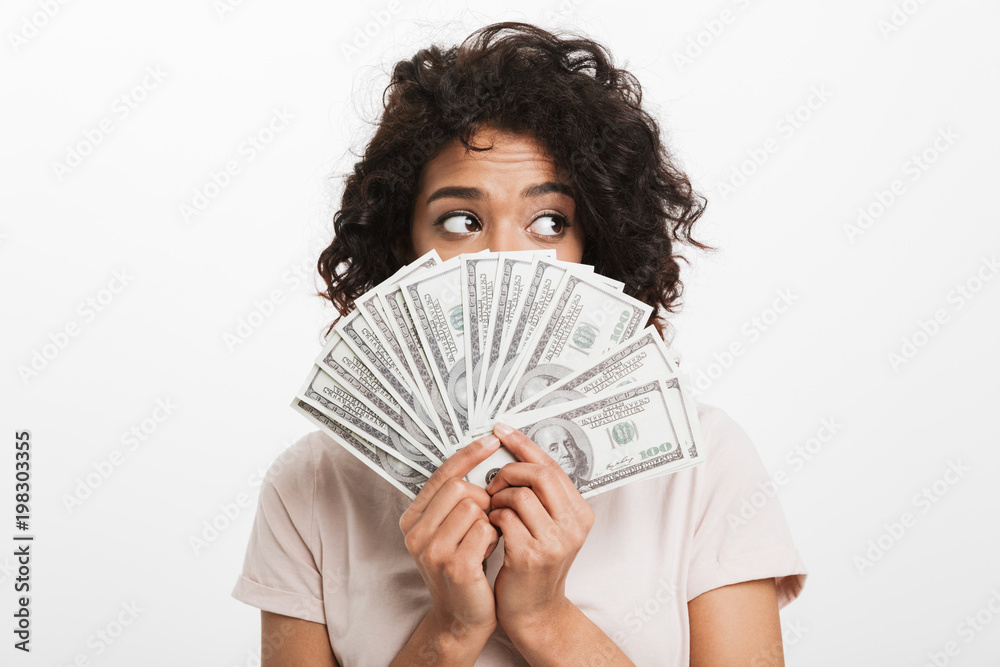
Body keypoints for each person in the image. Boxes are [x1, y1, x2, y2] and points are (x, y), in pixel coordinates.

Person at [232, 21, 807, 666]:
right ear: (404, 248)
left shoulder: (706, 465)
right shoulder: (312, 485)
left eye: (548, 222)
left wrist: (544, 617)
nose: (505, 257)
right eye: (461, 221)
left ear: (595, 244)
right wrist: (449, 631)